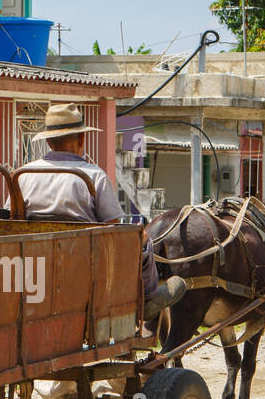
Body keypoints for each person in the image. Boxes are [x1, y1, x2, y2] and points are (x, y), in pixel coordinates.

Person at [16, 103, 185, 320]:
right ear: (81, 140)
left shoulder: (23, 174)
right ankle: (148, 298)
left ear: (48, 141)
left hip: (33, 260)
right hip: (81, 262)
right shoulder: (93, 176)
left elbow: (12, 217)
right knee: (141, 236)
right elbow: (113, 226)